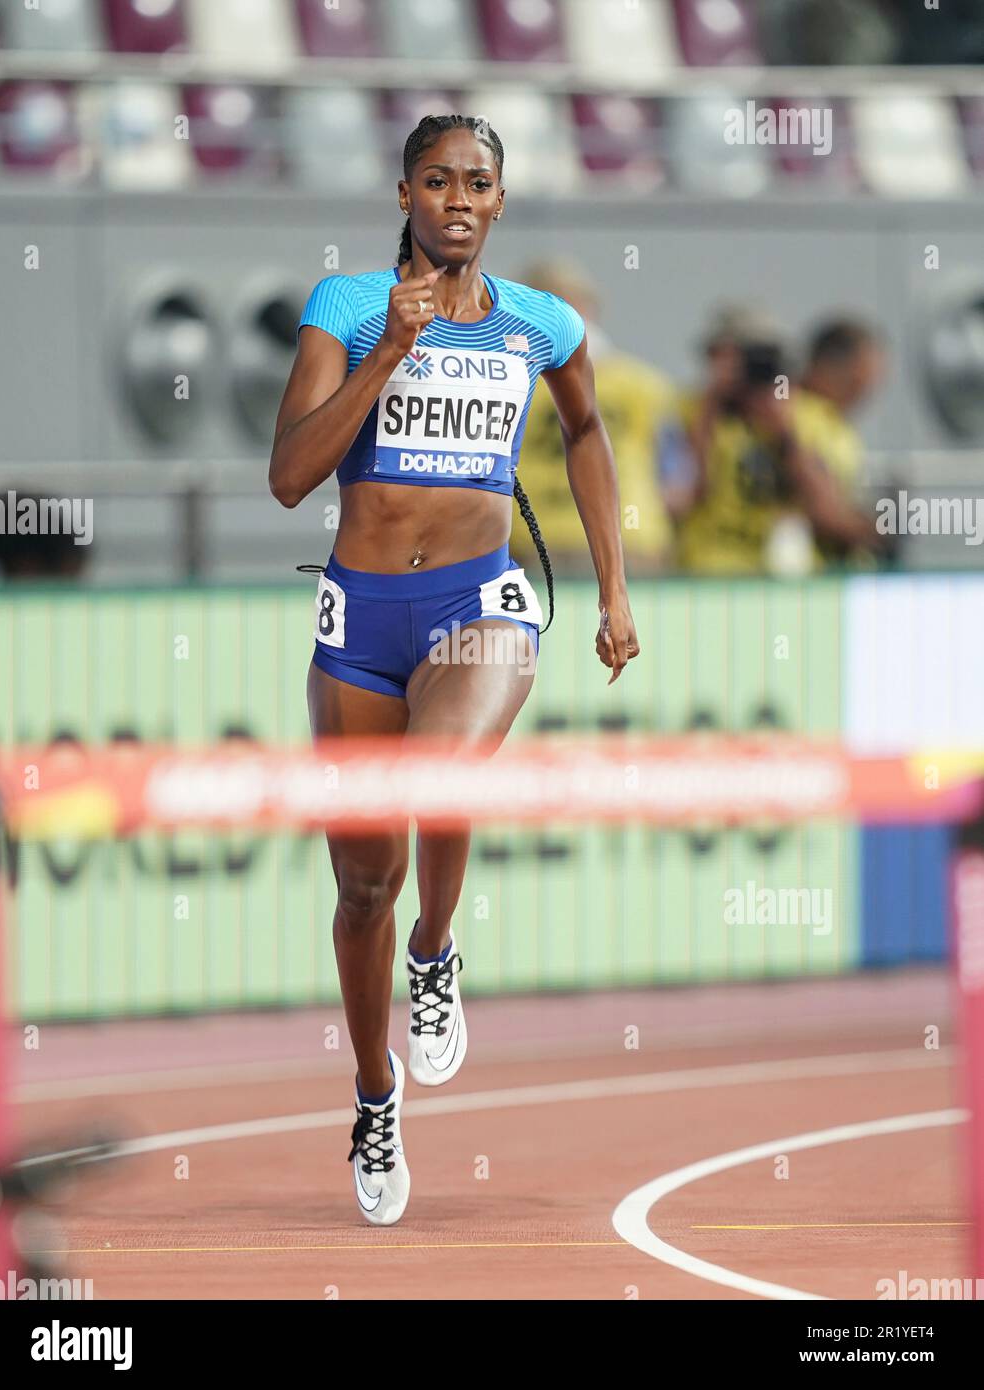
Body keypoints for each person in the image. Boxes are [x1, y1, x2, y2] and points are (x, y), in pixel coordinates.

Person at [268, 114, 639, 1226]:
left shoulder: (541, 323)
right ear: (403, 196)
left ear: (501, 202)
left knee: (442, 778)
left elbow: (585, 434)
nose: (459, 200)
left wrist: (615, 587)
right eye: (437, 181)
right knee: (359, 886)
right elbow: (289, 474)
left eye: (478, 182)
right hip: (361, 618)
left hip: (478, 600)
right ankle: (374, 1094)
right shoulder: (341, 307)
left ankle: (437, 952)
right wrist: (387, 349)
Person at [509, 259, 691, 576]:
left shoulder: (507, 379)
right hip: (629, 543)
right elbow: (678, 486)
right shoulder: (644, 384)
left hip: (534, 542)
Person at [674, 304, 882, 574]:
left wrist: (784, 435)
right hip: (708, 575)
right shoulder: (687, 411)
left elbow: (830, 512)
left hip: (785, 581)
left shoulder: (814, 419)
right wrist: (712, 402)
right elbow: (685, 493)